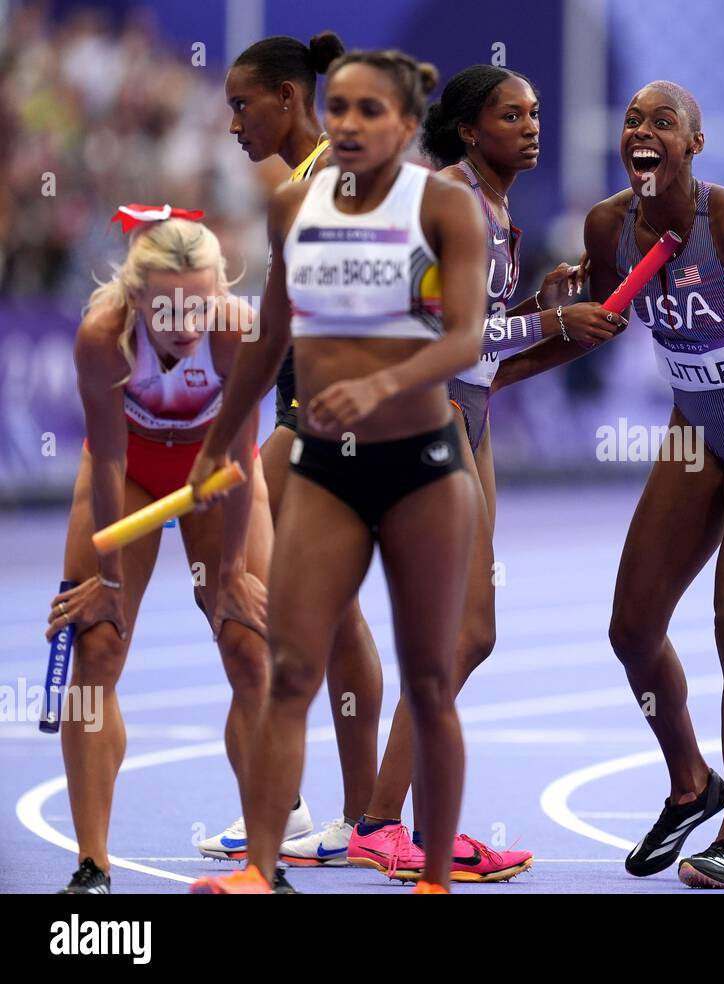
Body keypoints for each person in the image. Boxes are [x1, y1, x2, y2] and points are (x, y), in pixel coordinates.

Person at [499, 81, 724, 889]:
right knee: (632, 628)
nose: (642, 133)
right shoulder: (607, 226)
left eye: (663, 124)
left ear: (693, 145)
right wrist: (497, 368)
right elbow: (594, 326)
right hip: (694, 427)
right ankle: (691, 782)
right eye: (632, 121)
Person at [188, 48, 486, 894]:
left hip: (423, 463)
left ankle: (429, 875)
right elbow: (270, 332)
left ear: (403, 123)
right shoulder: (294, 206)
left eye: (369, 111)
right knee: (289, 668)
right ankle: (262, 866)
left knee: (430, 682)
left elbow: (465, 336)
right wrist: (221, 441)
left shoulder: (444, 208)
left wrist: (386, 383)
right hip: (324, 461)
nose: (349, 124)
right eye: (342, 108)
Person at [347, 63, 621, 883]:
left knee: (470, 633)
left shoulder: (496, 209)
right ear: (469, 129)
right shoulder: (456, 199)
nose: (532, 126)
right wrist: (549, 319)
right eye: (513, 115)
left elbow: (487, 350)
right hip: (428, 414)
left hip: (472, 414)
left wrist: (546, 319)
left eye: (537, 113)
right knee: (456, 633)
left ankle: (405, 823)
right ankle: (383, 824)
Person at [198, 29, 384, 867]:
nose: (233, 122)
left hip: (323, 422)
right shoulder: (307, 182)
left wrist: (215, 444)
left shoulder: (325, 184)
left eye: (242, 105)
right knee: (326, 615)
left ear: (287, 98)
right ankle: (347, 816)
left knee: (242, 590)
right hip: (307, 412)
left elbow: (285, 329)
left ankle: (306, 808)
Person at [50, 208, 275, 892]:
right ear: (135, 296)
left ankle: (263, 863)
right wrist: (109, 584)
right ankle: (93, 863)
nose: (184, 322)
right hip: (131, 471)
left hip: (218, 467)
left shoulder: (236, 329)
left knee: (249, 647)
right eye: (167, 306)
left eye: (198, 304)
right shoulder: (102, 337)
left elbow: (238, 453)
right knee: (97, 647)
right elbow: (111, 455)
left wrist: (231, 572)